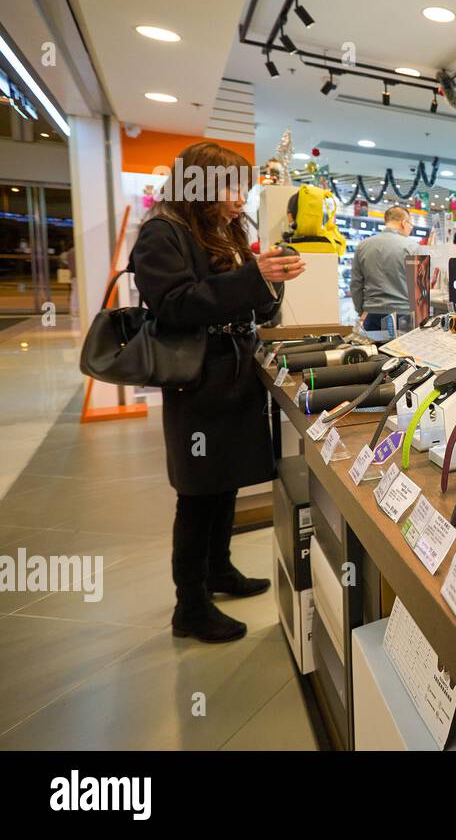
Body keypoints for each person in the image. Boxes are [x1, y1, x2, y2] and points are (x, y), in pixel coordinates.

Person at [131, 141, 305, 643]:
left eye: (243, 189)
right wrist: (254, 277)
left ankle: (219, 571)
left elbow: (243, 301)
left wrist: (272, 283)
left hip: (232, 374)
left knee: (224, 483)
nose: (239, 199)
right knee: (197, 492)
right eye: (232, 188)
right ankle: (190, 606)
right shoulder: (163, 233)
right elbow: (176, 306)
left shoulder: (222, 230)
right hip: (198, 382)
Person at [351, 204, 420, 332]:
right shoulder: (413, 247)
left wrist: (362, 311)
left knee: (375, 350)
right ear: (404, 223)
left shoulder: (363, 246)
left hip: (372, 314)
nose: (411, 229)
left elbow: (356, 285)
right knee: (402, 351)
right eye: (411, 225)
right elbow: (421, 288)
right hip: (404, 315)